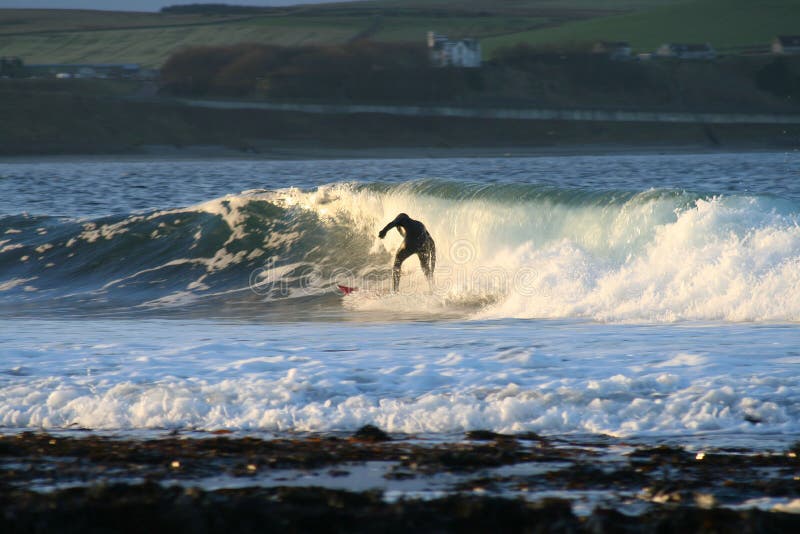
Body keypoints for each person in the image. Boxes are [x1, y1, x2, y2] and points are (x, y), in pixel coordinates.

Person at [378, 213, 436, 292]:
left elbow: (392, 223)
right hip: (424, 245)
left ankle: (395, 291)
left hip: (411, 243)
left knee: (397, 262)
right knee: (425, 267)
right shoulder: (419, 224)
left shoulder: (402, 217)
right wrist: (432, 268)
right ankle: (432, 288)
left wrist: (383, 231)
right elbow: (432, 244)